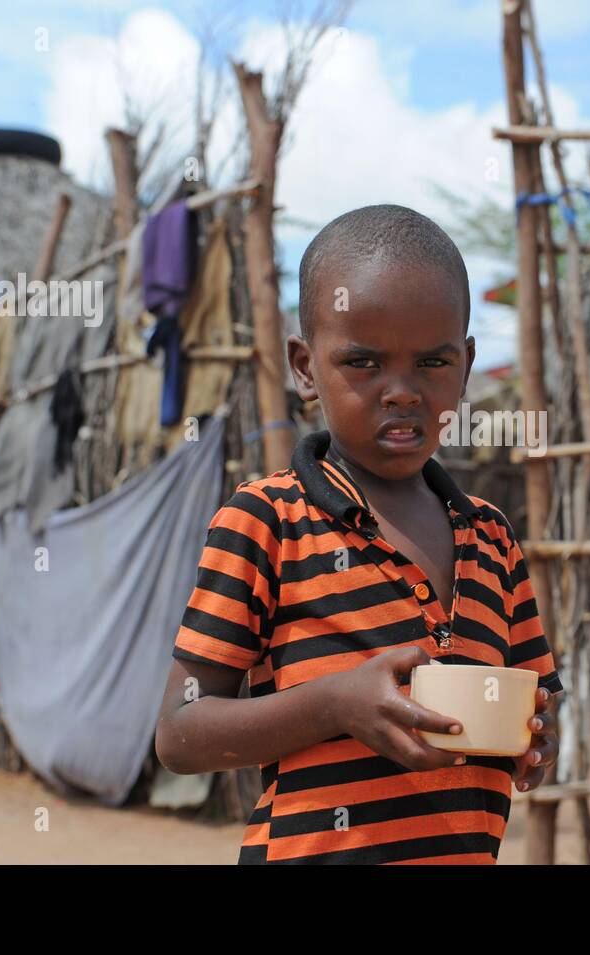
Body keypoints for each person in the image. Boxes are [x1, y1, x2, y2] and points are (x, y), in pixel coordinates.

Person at [154, 204, 565, 864]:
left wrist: (536, 738)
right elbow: (179, 733)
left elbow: (539, 702)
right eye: (364, 362)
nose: (402, 391)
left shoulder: (494, 541)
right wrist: (334, 705)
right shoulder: (267, 523)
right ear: (305, 367)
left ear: (466, 362)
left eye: (432, 361)